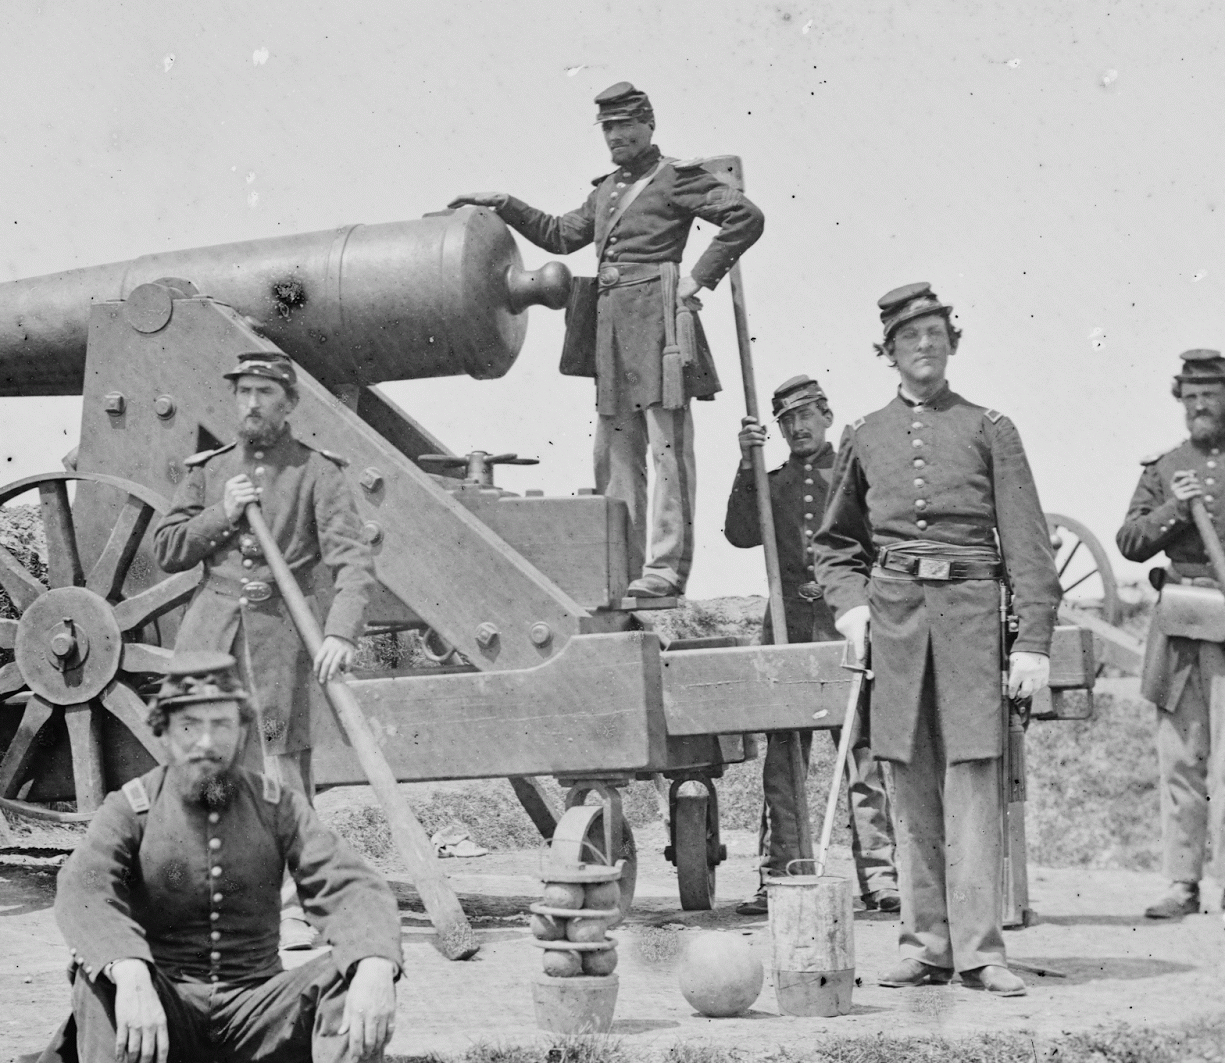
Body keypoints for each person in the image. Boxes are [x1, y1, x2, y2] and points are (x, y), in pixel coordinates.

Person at [21, 652, 403, 1063]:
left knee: (352, 968)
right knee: (95, 974)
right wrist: (130, 968)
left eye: (222, 726)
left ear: (242, 731)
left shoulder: (278, 803)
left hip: (258, 1011)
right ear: (164, 731)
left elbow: (348, 885)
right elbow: (85, 890)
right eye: (191, 726)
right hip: (161, 1020)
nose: (207, 741)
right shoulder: (131, 808)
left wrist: (376, 964)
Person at [814, 284, 1060, 997]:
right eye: (909, 336)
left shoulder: (991, 428)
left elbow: (1029, 547)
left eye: (935, 333)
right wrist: (852, 608)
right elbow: (833, 545)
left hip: (972, 621)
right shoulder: (863, 434)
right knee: (909, 782)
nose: (924, 345)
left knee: (973, 780)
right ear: (888, 351)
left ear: (952, 343)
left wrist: (1033, 643)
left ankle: (980, 951)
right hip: (894, 624)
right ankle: (925, 945)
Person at [449, 81, 764, 597]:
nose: (615, 136)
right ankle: (624, 569)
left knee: (667, 452)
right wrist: (504, 202)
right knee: (614, 454)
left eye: (624, 126)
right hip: (612, 325)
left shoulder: (676, 178)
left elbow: (745, 218)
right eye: (608, 129)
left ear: (648, 125)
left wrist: (699, 278)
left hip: (659, 321)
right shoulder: (607, 190)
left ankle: (664, 572)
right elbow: (560, 234)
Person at [152, 351, 376, 950]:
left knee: (280, 772)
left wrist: (340, 632)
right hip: (211, 639)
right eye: (243, 391)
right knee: (200, 768)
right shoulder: (208, 472)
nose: (251, 403)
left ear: (289, 404)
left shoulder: (317, 472)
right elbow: (168, 548)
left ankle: (291, 910)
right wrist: (221, 514)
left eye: (264, 393)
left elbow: (353, 560)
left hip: (282, 637)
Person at [723, 374, 899, 916]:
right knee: (784, 760)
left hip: (844, 627)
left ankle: (881, 878)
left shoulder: (851, 478)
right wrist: (744, 463)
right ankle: (782, 872)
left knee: (862, 754)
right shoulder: (769, 481)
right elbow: (739, 532)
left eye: (806, 416)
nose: (797, 428)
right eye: (786, 421)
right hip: (787, 630)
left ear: (826, 416)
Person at [1115, 348, 1225, 920]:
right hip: (1181, 627)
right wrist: (1176, 511)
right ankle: (1183, 883)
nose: (1200, 405)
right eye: (1191, 396)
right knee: (1181, 757)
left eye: (1210, 394)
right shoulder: (1164, 469)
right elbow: (1130, 542)